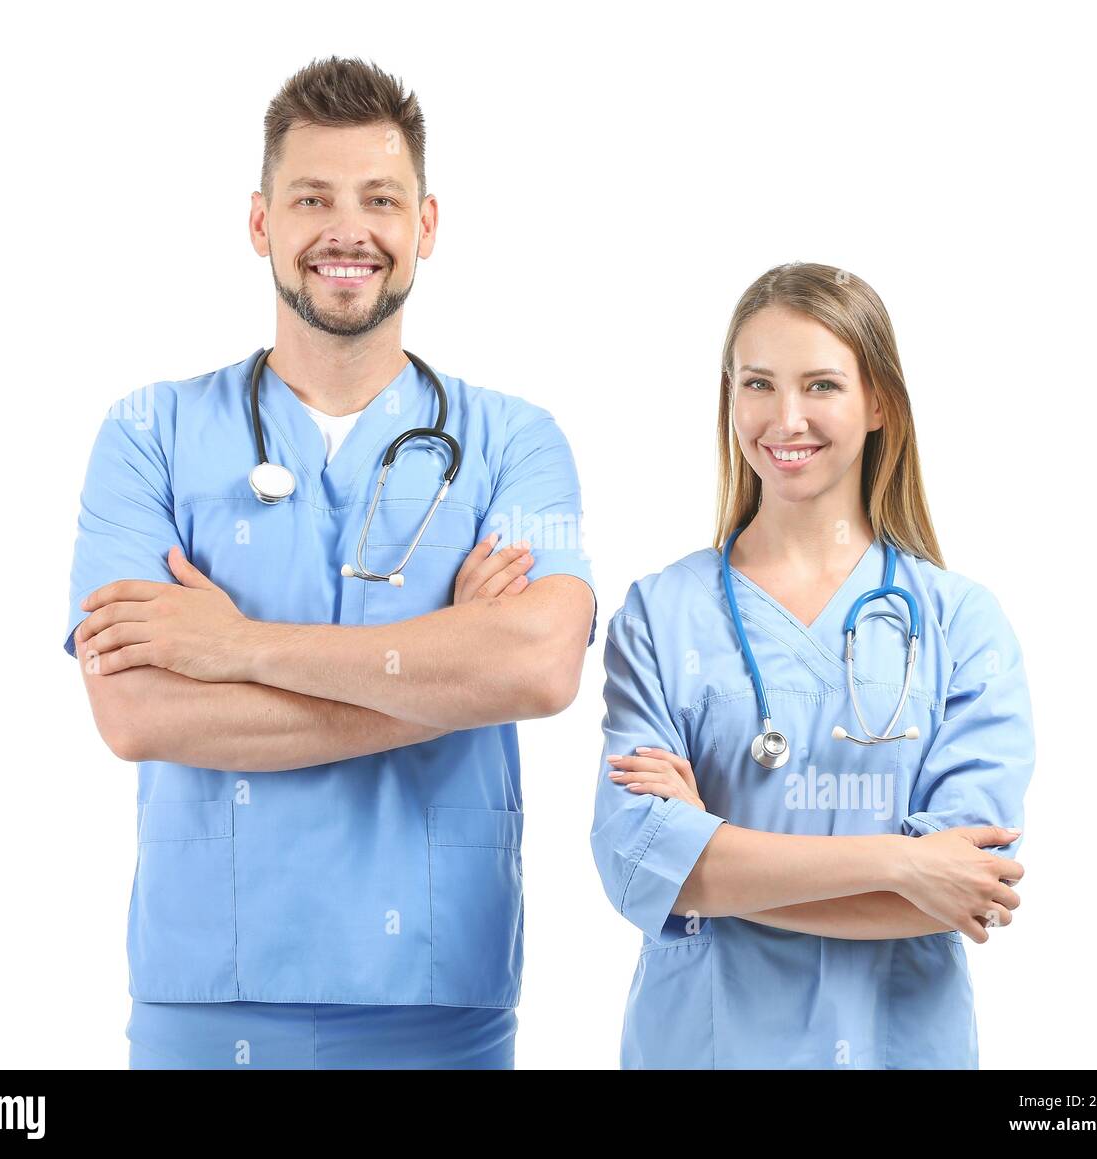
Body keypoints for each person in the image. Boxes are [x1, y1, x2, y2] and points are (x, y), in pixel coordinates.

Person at [64, 56, 596, 1069]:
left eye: (379, 200)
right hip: (208, 999)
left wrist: (238, 647)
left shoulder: (516, 439)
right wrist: (450, 678)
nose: (346, 232)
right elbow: (136, 712)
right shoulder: (150, 433)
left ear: (425, 228)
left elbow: (539, 668)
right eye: (312, 198)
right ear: (260, 223)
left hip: (440, 1003)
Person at [589, 261, 1033, 1069]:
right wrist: (902, 861)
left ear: (879, 405)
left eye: (821, 385)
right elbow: (636, 864)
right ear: (729, 397)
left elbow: (963, 887)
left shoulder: (962, 624)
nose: (784, 418)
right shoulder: (660, 613)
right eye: (758, 383)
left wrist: (713, 853)